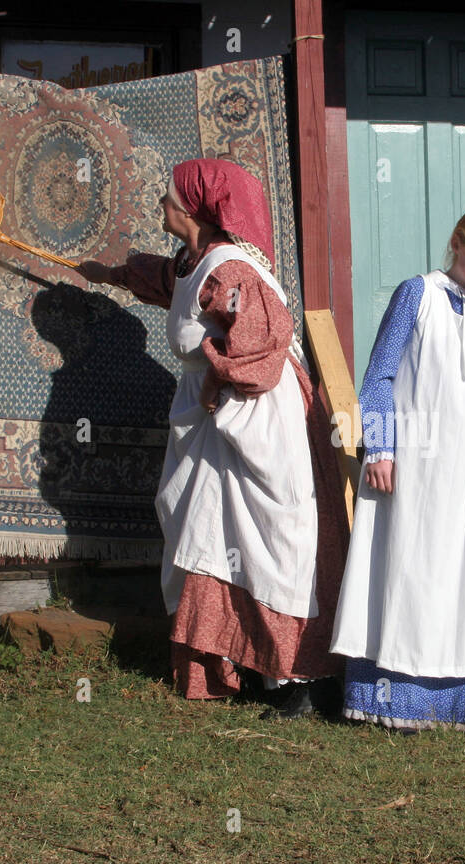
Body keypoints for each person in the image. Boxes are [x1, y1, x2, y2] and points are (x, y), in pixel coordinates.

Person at [76, 158, 347, 716]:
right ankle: (237, 668)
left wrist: (215, 381)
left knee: (267, 540)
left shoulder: (231, 270)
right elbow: (171, 283)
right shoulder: (196, 263)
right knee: (207, 532)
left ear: (192, 208)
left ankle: (295, 682)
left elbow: (264, 338)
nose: (160, 206)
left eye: (167, 197)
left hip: (255, 413)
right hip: (215, 419)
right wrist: (110, 275)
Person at [329, 206, 465, 732]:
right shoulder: (415, 293)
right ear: (456, 243)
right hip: (416, 461)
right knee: (413, 568)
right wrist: (380, 449)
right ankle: (398, 699)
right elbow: (377, 377)